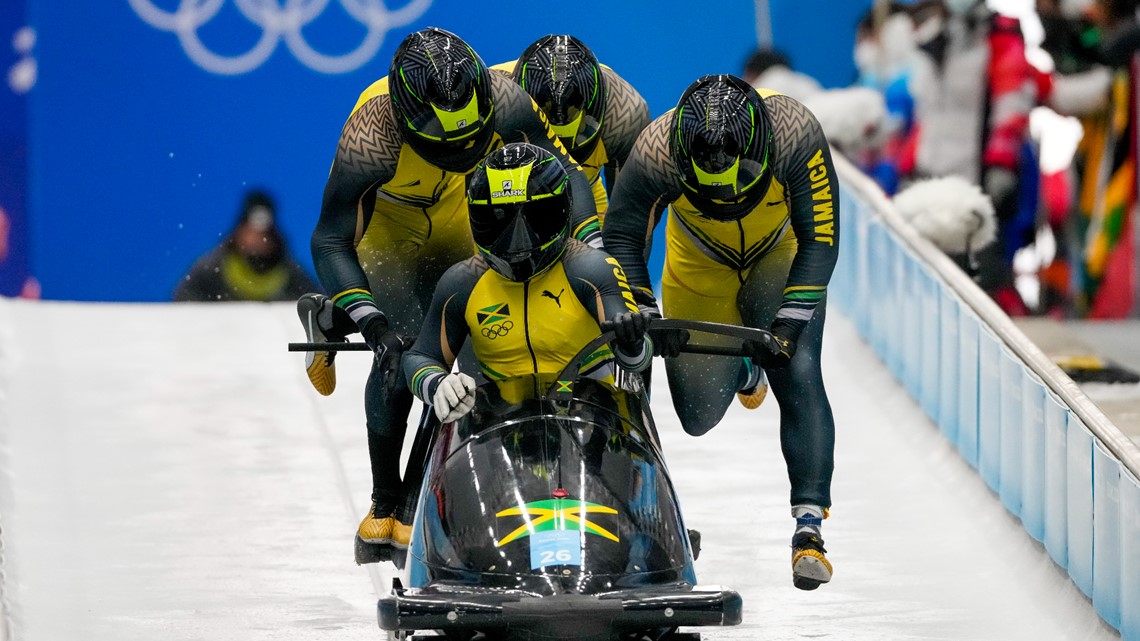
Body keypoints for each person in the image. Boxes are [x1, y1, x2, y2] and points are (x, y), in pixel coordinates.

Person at [297, 27, 601, 558]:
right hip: (393, 227)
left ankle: (495, 494)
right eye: (445, 142)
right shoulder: (372, 136)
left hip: (463, 214)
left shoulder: (506, 99)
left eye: (471, 136)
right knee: (404, 346)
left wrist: (589, 253)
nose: (461, 149)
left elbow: (566, 177)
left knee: (483, 340)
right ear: (410, 124)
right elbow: (328, 239)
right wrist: (373, 322)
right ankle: (385, 504)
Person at [601, 74, 839, 591]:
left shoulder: (795, 132)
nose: (726, 192)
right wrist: (641, 309)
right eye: (708, 184)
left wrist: (789, 322)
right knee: (697, 417)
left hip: (780, 255)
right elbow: (622, 236)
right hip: (698, 267)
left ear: (760, 149)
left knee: (796, 368)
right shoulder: (656, 150)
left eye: (739, 178)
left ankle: (809, 529)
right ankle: (743, 366)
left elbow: (820, 239)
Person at [403, 142, 652, 426]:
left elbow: (637, 361)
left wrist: (631, 343)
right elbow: (420, 356)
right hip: (500, 427)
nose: (517, 243)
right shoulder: (461, 283)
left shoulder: (592, 269)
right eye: (498, 219)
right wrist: (437, 383)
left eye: (535, 217)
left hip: (592, 420)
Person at [493, 34, 651, 217]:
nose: (561, 154)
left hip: (584, 198)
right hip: (506, 201)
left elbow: (627, 220)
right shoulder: (496, 95)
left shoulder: (626, 115)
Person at [173, 190, 317, 302]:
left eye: (264, 235)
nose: (257, 240)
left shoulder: (291, 275)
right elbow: (184, 303)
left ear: (275, 236)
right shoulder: (210, 270)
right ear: (238, 232)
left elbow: (317, 306)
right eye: (251, 233)